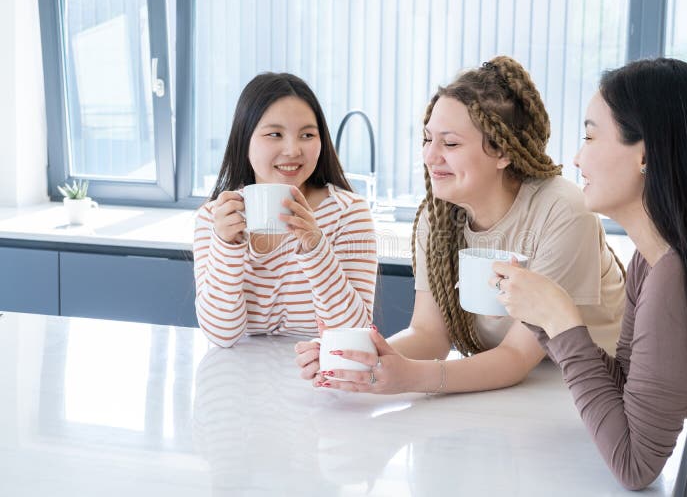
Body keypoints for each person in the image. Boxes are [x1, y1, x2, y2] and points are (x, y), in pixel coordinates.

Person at [489, 58, 687, 494]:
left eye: (590, 135)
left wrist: (563, 323)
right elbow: (631, 388)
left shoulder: (678, 273)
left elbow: (636, 465)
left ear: (646, 153)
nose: (577, 157)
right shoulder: (656, 261)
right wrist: (547, 320)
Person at [295, 56, 626, 394]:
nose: (430, 156)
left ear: (502, 152)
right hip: (507, 392)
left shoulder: (562, 211)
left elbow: (516, 356)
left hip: (591, 392)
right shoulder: (437, 218)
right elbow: (429, 335)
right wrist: (353, 358)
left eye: (450, 143)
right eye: (427, 139)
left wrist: (409, 377)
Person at [193, 73, 377, 347]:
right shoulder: (214, 218)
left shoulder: (349, 214)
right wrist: (226, 246)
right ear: (245, 140)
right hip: (235, 383)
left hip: (320, 383)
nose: (292, 150)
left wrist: (316, 249)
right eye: (274, 134)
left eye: (307, 135)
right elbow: (221, 334)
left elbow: (353, 335)